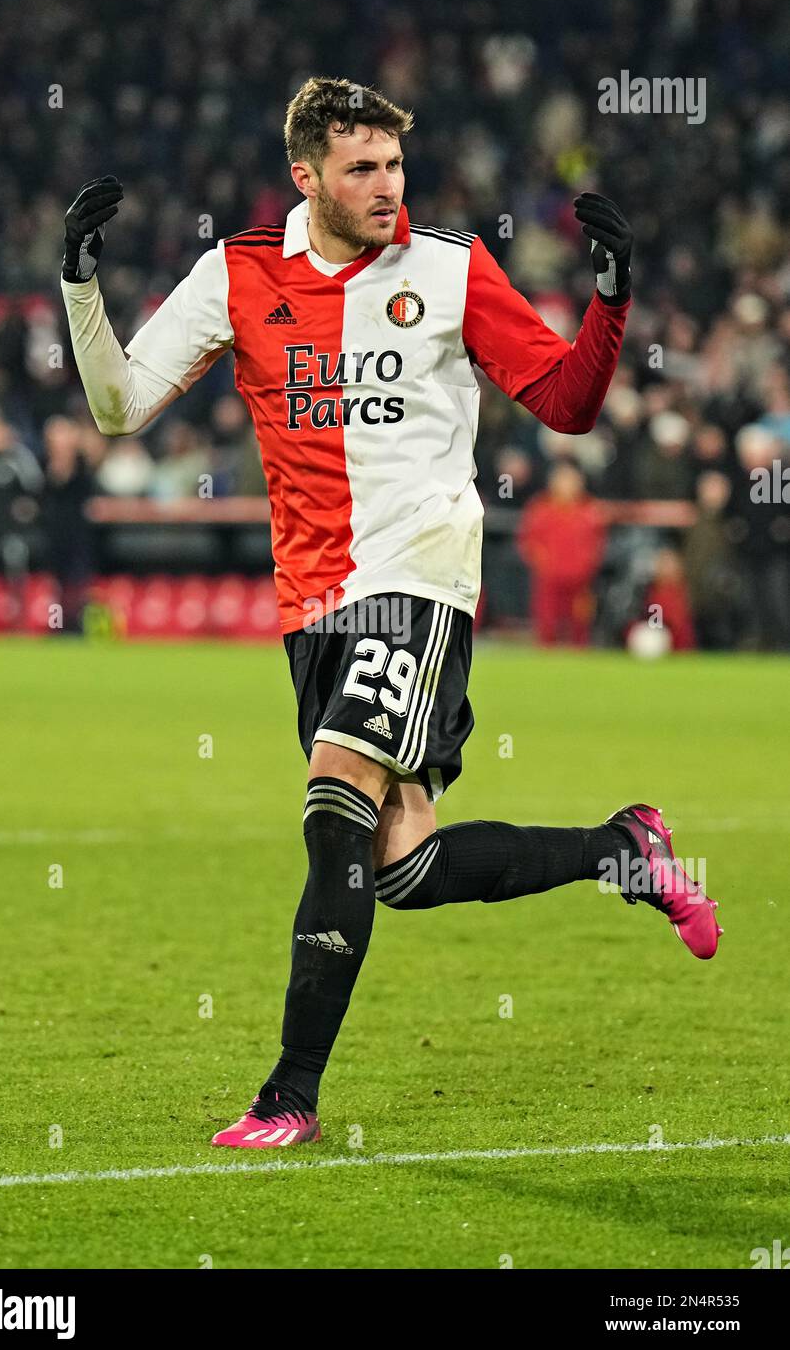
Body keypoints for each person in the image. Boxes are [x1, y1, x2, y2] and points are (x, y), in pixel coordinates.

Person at [60, 76, 721, 1151]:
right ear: (305, 175)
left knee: (334, 806)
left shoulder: (449, 269)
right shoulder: (239, 274)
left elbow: (565, 402)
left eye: (394, 165)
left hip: (417, 576)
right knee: (401, 865)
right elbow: (116, 404)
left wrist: (607, 307)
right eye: (360, 167)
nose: (385, 187)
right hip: (309, 603)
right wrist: (79, 288)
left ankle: (289, 1092)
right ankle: (622, 848)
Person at [517, 460, 606, 646]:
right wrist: (542, 562)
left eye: (572, 481)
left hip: (581, 581)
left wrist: (587, 565)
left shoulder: (590, 511)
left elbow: (598, 544)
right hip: (549, 580)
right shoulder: (540, 508)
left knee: (580, 625)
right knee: (547, 625)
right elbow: (528, 541)